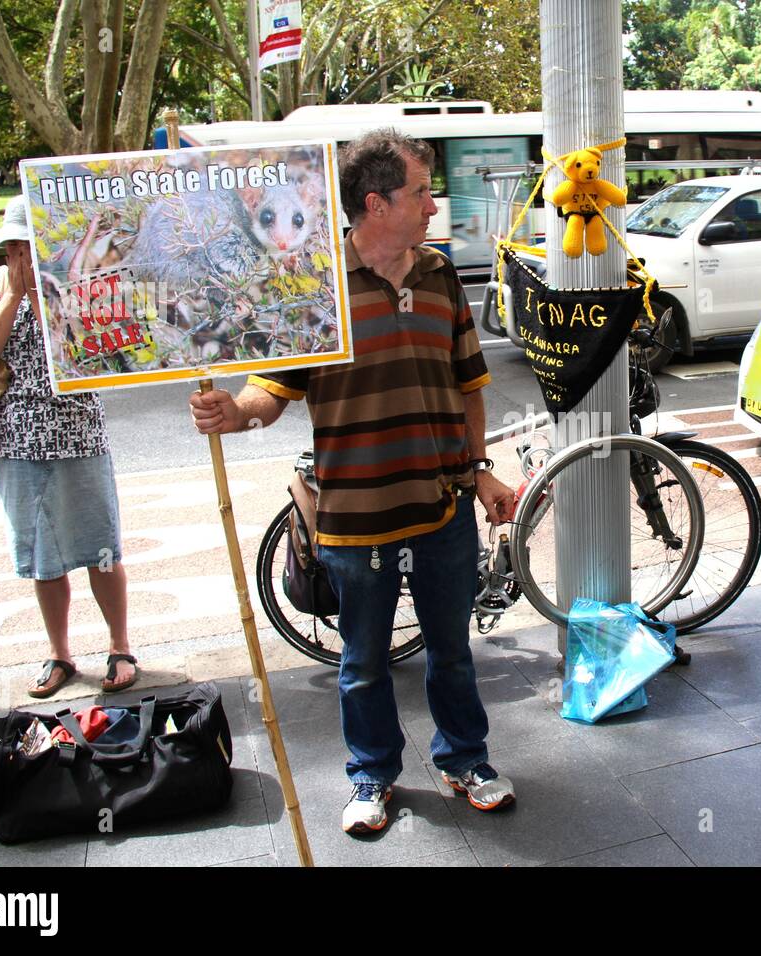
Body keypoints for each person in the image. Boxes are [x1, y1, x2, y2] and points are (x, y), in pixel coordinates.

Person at [191, 128, 518, 836]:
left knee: (453, 654)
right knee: (364, 664)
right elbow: (270, 392)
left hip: (443, 511)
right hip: (354, 518)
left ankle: (466, 759)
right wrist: (233, 413)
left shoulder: (439, 277)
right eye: (421, 192)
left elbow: (468, 388)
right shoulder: (316, 287)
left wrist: (480, 471)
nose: (434, 205)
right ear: (376, 203)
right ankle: (372, 775)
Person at [0, 197, 136, 698]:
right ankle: (59, 653)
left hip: (80, 430)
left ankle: (120, 646)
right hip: (19, 439)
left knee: (102, 547)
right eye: (13, 247)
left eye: (27, 244)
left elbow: (110, 350)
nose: (20, 255)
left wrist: (56, 301)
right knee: (44, 555)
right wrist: (14, 298)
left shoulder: (81, 279)